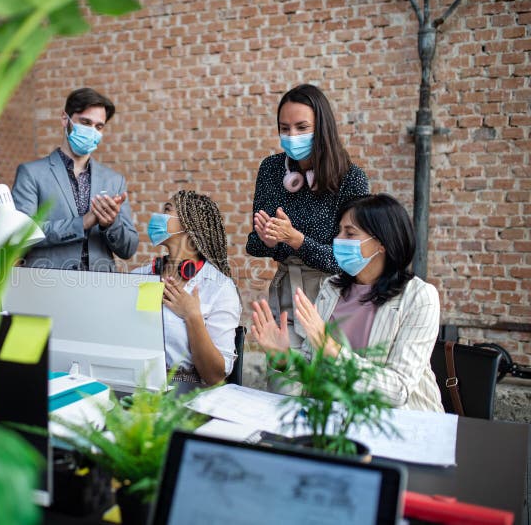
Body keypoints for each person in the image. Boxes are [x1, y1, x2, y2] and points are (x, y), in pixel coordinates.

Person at [250, 194, 444, 412]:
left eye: (349, 233)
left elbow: (398, 390)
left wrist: (330, 347)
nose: (338, 240)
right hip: (337, 418)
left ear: (382, 243)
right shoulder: (332, 288)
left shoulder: (419, 297)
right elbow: (312, 366)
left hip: (404, 426)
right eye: (339, 232)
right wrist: (283, 358)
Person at [246, 84, 369, 347]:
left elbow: (349, 260)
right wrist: (269, 242)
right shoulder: (271, 169)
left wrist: (296, 240)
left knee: (327, 384)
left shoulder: (351, 179)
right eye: (284, 128)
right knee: (283, 382)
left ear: (321, 127)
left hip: (333, 299)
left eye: (302, 127)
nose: (292, 135)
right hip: (286, 296)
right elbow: (253, 243)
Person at [11, 88, 138, 271]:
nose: (92, 131)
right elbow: (20, 235)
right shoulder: (31, 173)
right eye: (85, 122)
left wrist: (110, 223)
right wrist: (83, 223)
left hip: (99, 288)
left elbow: (129, 249)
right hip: (48, 286)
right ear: (65, 119)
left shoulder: (114, 181)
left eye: (99, 126)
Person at [132, 191, 241, 386]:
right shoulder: (140, 277)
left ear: (189, 225)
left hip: (186, 392)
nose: (158, 217)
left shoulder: (219, 288)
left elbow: (216, 377)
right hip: (136, 384)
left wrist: (192, 316)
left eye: (167, 210)